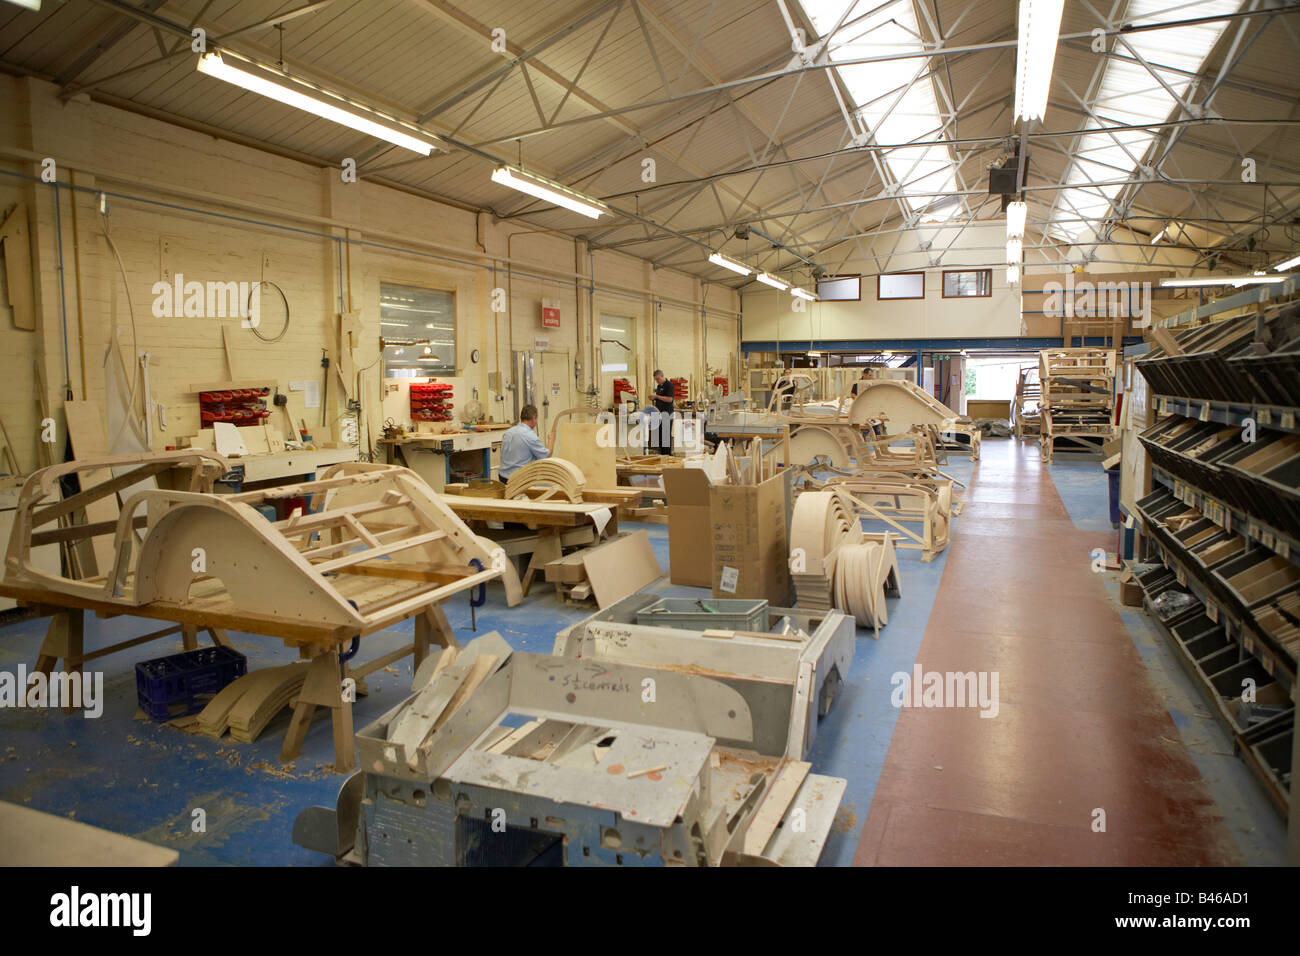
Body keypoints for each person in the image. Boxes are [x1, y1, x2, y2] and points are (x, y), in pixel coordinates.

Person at [498, 404, 549, 480]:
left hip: (502, 477)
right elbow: (546, 456)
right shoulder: (529, 436)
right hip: (518, 480)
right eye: (536, 419)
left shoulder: (508, 432)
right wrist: (552, 440)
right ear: (533, 418)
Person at [652, 369, 675, 455]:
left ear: (662, 376)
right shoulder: (659, 387)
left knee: (666, 436)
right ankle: (662, 454)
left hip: (667, 413)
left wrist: (657, 396)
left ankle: (667, 455)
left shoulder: (669, 385)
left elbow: (669, 399)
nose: (657, 381)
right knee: (660, 435)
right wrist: (654, 398)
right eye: (656, 380)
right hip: (660, 413)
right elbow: (659, 398)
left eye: (658, 379)